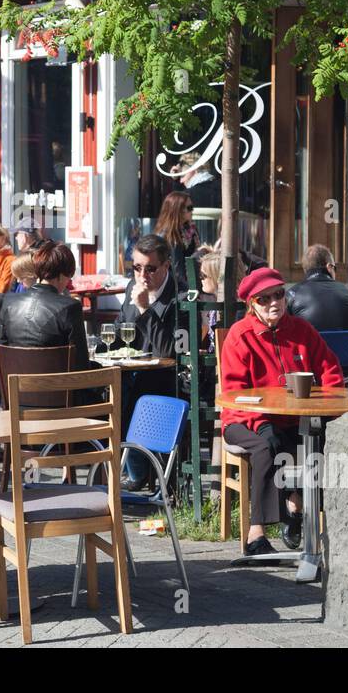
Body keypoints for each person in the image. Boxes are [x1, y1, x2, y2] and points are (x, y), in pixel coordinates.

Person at [219, 267, 344, 558]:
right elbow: (234, 394)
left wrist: (330, 407)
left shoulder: (301, 330)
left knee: (320, 442)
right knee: (267, 445)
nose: (274, 302)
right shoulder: (240, 336)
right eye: (264, 299)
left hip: (293, 418)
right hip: (242, 419)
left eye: (279, 294)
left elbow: (330, 369)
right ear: (252, 304)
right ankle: (257, 532)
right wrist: (260, 423)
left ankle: (303, 510)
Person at [116, 234, 179, 490]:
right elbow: (122, 330)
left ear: (166, 266)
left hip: (168, 378)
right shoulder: (133, 287)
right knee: (106, 394)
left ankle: (142, 471)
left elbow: (169, 351)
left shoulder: (179, 296)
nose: (143, 275)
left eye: (151, 268)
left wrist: (144, 310)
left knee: (132, 395)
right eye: (137, 268)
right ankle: (131, 469)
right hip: (134, 370)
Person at [0, 241, 89, 370]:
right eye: (70, 277)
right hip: (57, 387)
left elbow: (2, 351)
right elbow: (80, 363)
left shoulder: (9, 302)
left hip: (15, 386)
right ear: (62, 275)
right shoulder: (70, 307)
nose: (69, 282)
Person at [286, 244, 348, 333]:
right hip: (345, 346)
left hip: (310, 346)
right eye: (335, 268)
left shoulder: (292, 295)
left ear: (306, 270)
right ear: (329, 267)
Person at [154, 190, 199, 292]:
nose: (192, 211)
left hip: (187, 284)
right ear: (178, 210)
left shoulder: (188, 229)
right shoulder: (169, 235)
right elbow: (177, 268)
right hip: (175, 290)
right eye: (189, 208)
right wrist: (188, 292)